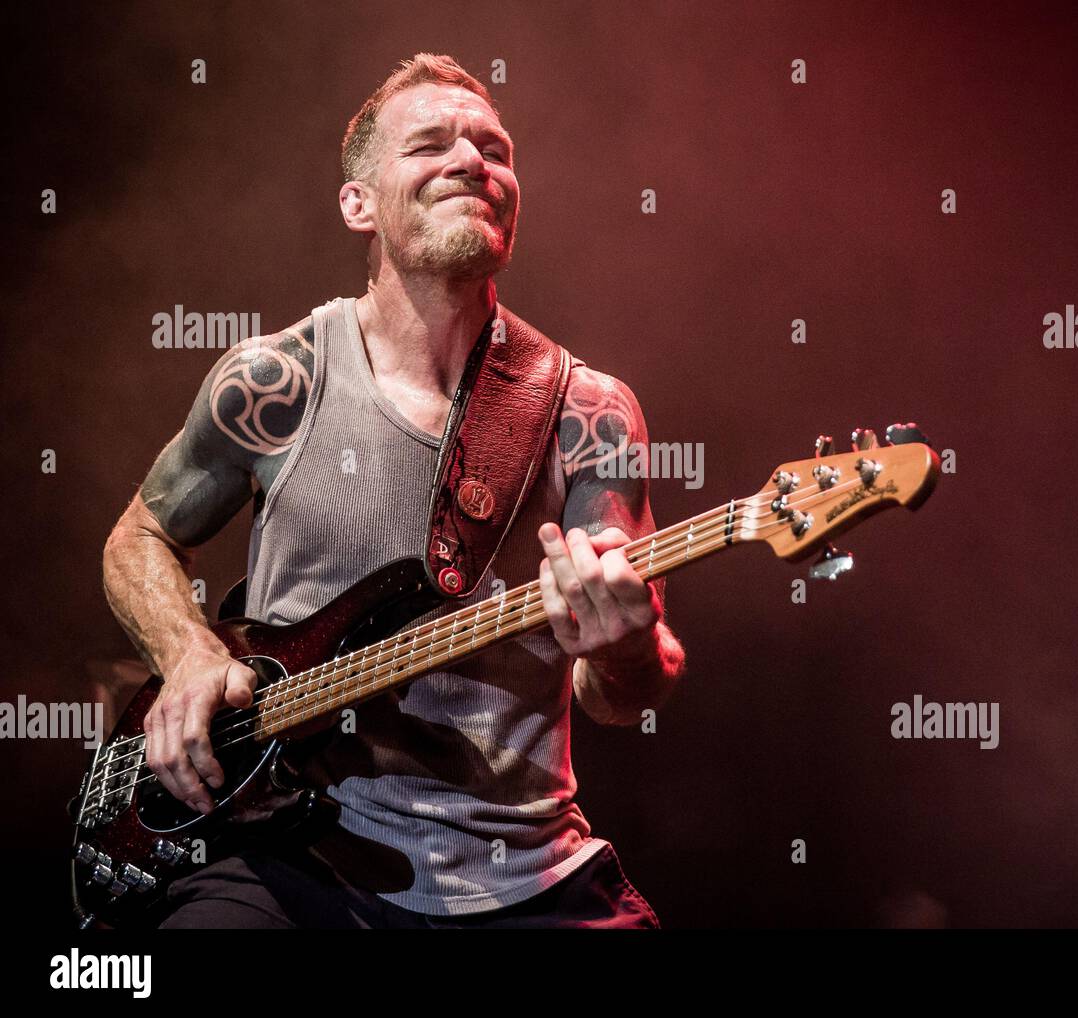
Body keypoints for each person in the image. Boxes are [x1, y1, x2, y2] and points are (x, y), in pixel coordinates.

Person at [102, 52, 685, 929]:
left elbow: (622, 695)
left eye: (494, 148)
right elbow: (137, 537)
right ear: (358, 203)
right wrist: (186, 654)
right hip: (291, 856)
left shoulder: (589, 413)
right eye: (430, 145)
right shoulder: (274, 381)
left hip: (527, 874)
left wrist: (625, 646)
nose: (471, 162)